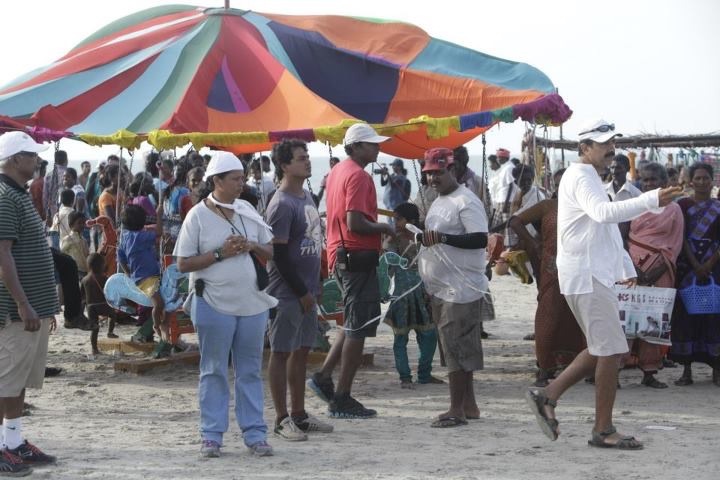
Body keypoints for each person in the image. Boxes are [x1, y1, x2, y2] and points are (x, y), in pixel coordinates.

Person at [524, 119, 680, 450]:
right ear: (585, 149)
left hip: (591, 274)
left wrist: (625, 266)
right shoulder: (580, 175)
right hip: (585, 275)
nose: (610, 148)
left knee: (602, 347)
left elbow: (603, 228)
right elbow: (603, 213)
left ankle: (548, 395)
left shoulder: (590, 177)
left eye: (613, 142)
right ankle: (603, 429)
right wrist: (652, 199)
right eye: (603, 143)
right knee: (610, 349)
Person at [174, 151, 277, 458]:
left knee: (250, 370)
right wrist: (220, 254)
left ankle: (255, 433)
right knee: (214, 369)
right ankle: (211, 435)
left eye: (241, 178)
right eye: (234, 179)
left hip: (252, 303)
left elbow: (270, 250)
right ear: (216, 181)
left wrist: (251, 245)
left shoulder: (246, 208)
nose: (240, 184)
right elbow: (182, 264)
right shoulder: (198, 215)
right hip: (213, 302)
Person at [306, 123, 395, 419]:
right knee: (359, 327)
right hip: (357, 255)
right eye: (371, 144)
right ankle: (342, 396)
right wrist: (385, 227)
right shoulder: (358, 175)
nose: (377, 147)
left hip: (341, 254)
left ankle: (324, 376)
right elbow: (355, 222)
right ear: (355, 147)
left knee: (352, 321)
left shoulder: (337, 172)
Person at [265, 139, 333, 441]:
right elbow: (278, 255)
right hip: (287, 292)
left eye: (307, 157)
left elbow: (312, 241)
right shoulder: (281, 204)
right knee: (280, 352)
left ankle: (299, 414)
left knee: (302, 350)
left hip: (308, 288)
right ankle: (281, 419)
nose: (308, 162)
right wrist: (301, 291)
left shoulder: (306, 195)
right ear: (285, 165)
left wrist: (314, 286)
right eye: (301, 158)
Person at [417, 147, 490, 428]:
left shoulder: (465, 200)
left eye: (439, 172)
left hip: (461, 288)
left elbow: (480, 239)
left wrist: (443, 237)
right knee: (457, 347)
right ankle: (469, 406)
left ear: (453, 169)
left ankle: (455, 410)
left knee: (456, 348)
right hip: (441, 287)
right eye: (429, 174)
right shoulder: (439, 200)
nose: (433, 178)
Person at [0, 131, 59, 475]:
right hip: (14, 311)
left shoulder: (17, 195)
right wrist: (23, 303)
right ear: (13, 159)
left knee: (18, 380)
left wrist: (42, 304)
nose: (36, 160)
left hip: (32, 310)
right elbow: (2, 253)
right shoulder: (6, 196)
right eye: (30, 155)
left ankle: (13, 442)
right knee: (6, 379)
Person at [510, 168, 587, 387]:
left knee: (580, 316)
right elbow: (515, 222)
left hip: (581, 269)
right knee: (549, 315)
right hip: (552, 269)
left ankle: (581, 366)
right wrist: (534, 243)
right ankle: (545, 367)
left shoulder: (586, 205)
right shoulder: (547, 207)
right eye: (559, 183)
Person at [625, 162, 684, 389]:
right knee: (627, 321)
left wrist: (654, 271)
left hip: (660, 271)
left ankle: (649, 372)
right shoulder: (634, 205)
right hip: (631, 270)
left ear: (664, 182)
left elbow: (674, 245)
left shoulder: (674, 210)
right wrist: (633, 270)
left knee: (652, 321)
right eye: (646, 179)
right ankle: (617, 367)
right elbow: (623, 238)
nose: (649, 183)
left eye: (654, 179)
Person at [670, 162, 720, 387]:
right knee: (686, 317)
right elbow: (680, 236)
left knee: (714, 317)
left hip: (715, 266)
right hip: (687, 266)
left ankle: (716, 370)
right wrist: (695, 264)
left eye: (705, 178)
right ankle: (686, 370)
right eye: (697, 178)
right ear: (690, 181)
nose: (701, 182)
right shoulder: (681, 206)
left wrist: (709, 263)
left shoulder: (718, 207)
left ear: (712, 180)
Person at [384, 202, 441, 388]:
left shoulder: (423, 240)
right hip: (402, 296)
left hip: (423, 294)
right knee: (400, 338)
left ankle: (424, 374)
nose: (395, 223)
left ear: (412, 221)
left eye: (399, 219)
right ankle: (405, 377)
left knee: (429, 335)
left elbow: (433, 266)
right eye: (395, 220)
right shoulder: (393, 241)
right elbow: (387, 270)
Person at [117, 204, 167, 349]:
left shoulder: (126, 237)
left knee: (161, 302)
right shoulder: (139, 237)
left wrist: (129, 273)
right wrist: (158, 215)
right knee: (159, 304)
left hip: (142, 276)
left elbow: (121, 258)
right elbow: (159, 232)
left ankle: (155, 325)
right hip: (147, 278)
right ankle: (156, 326)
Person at [81, 253, 117, 355]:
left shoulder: (84, 280)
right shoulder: (105, 278)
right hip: (103, 305)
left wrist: (81, 311)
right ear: (102, 266)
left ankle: (94, 349)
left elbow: (82, 297)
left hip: (91, 307)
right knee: (113, 314)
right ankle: (110, 332)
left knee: (95, 328)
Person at [42, 149, 68, 227]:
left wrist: (46, 212)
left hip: (52, 212)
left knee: (55, 234)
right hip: (67, 211)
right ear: (66, 160)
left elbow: (45, 196)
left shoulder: (49, 175)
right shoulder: (69, 174)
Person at [60, 211, 89, 277]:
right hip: (74, 271)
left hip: (85, 270)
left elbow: (87, 255)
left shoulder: (84, 240)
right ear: (71, 225)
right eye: (79, 223)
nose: (82, 225)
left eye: (83, 223)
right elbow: (62, 254)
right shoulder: (67, 239)